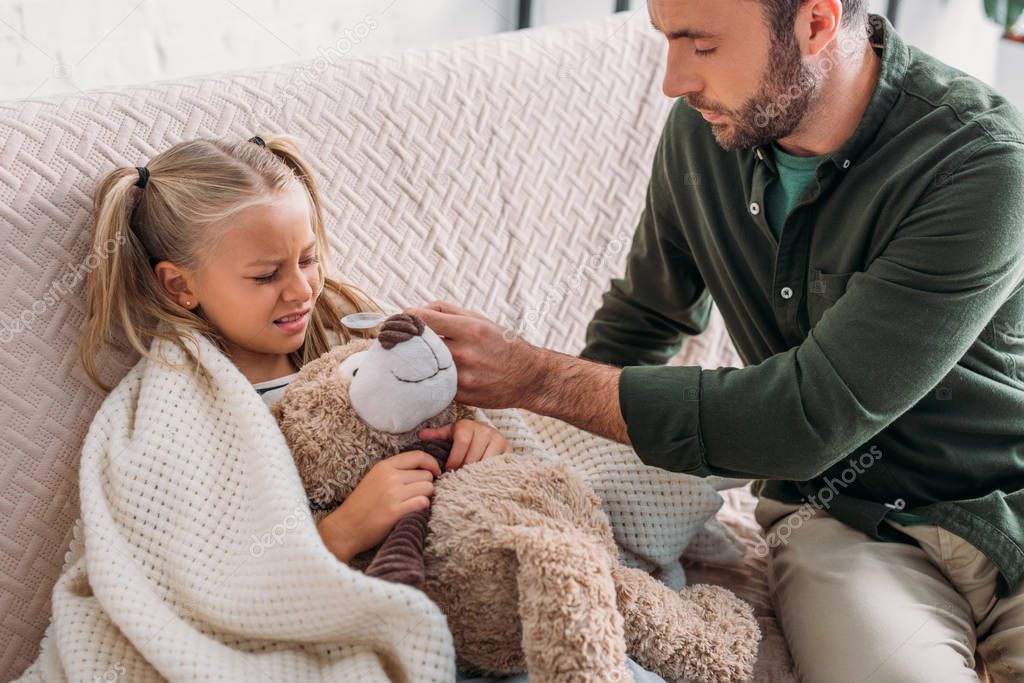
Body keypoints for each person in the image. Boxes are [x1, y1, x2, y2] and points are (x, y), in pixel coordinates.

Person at [406, 1, 1024, 681]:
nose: (673, 81)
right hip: (841, 522)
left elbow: (805, 416)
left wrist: (537, 377)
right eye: (665, 41)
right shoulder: (703, 137)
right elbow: (640, 323)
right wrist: (533, 457)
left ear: (816, 22)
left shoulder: (980, 164)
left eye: (699, 46)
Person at [78, 133, 511, 568]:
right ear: (181, 286)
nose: (303, 290)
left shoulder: (353, 343)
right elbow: (212, 579)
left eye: (307, 259)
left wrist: (471, 441)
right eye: (266, 276)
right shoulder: (183, 418)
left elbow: (428, 416)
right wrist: (342, 532)